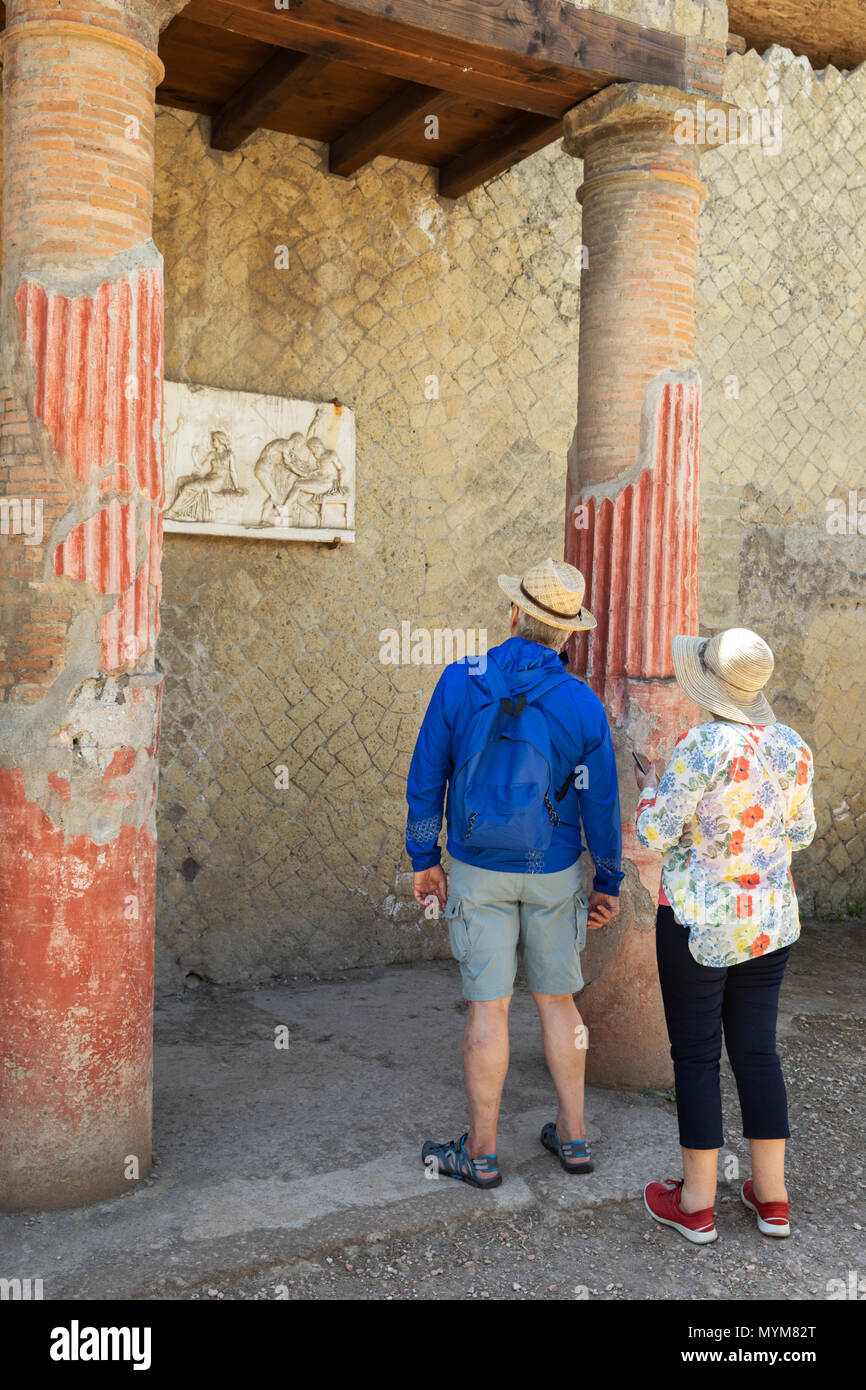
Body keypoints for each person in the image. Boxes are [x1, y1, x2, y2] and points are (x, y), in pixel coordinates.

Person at [406, 558, 623, 1189]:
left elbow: (426, 780)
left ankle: (481, 1153)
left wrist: (425, 859)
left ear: (513, 614)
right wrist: (606, 879)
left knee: (488, 1008)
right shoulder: (583, 704)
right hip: (554, 869)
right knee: (559, 1003)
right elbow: (600, 802)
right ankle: (575, 1139)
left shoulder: (459, 681)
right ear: (567, 633)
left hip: (477, 868)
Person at [634, 628, 816, 1244]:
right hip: (769, 920)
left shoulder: (699, 746)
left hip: (698, 921)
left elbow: (657, 833)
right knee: (757, 1051)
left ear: (707, 684)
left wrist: (651, 788)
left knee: (696, 1056)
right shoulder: (793, 746)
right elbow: (802, 833)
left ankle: (697, 1204)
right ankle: (773, 1200)